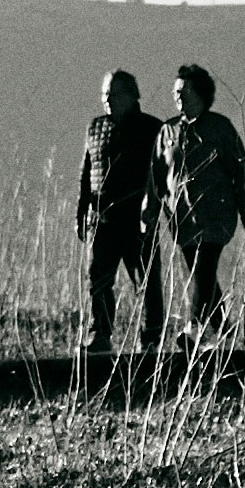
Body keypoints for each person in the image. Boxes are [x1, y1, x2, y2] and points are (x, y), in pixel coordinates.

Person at [163, 62, 245, 334]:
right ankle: (222, 327)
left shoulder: (220, 128)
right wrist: (152, 209)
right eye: (175, 91)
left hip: (215, 215)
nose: (177, 96)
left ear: (201, 94)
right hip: (182, 219)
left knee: (204, 266)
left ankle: (195, 326)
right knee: (201, 274)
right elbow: (155, 175)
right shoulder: (168, 132)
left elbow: (240, 170)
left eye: (183, 91)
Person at [76, 67, 165, 361]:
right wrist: (81, 212)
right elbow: (87, 172)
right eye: (103, 94)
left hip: (137, 219)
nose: (106, 100)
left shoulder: (153, 129)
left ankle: (151, 339)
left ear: (130, 95)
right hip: (102, 218)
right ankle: (99, 334)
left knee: (146, 281)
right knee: (98, 280)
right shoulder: (95, 127)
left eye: (112, 94)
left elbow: (163, 173)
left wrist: (155, 208)